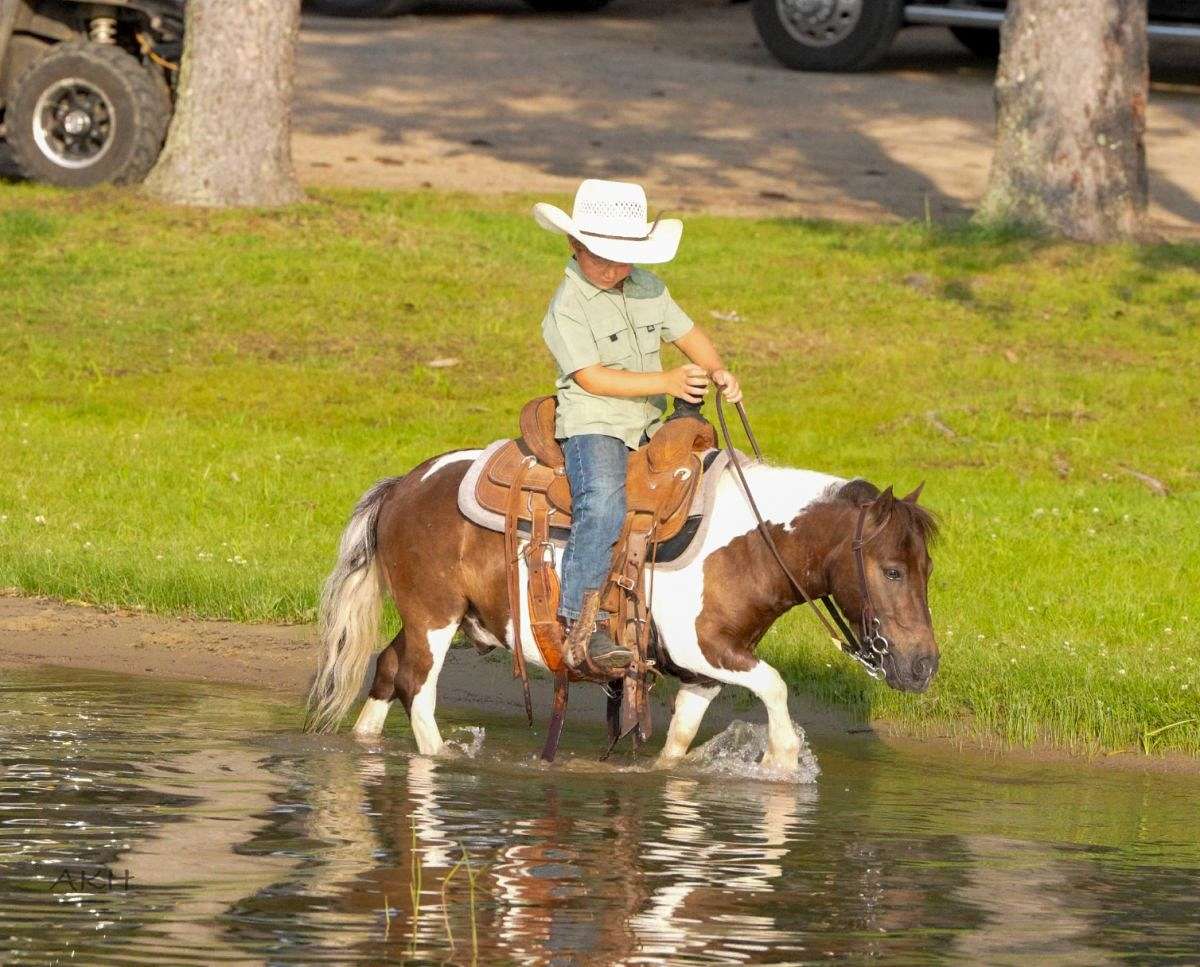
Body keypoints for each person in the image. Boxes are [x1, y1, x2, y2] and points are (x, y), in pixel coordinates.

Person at [533, 179, 742, 670]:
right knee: (604, 504)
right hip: (596, 421)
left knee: (711, 490)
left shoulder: (648, 287)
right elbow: (592, 377)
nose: (613, 268)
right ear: (574, 245)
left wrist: (717, 371)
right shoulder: (567, 306)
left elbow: (688, 333)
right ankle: (579, 621)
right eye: (601, 257)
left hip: (649, 420)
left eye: (623, 257)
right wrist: (667, 380)